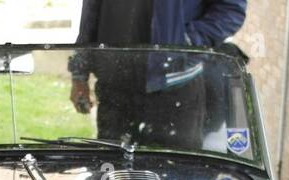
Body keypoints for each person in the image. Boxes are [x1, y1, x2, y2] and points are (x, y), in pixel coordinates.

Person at [69, 0, 247, 148]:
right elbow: (91, 10)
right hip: (115, 91)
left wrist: (188, 42)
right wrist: (79, 73)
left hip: (176, 92)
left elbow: (230, 10)